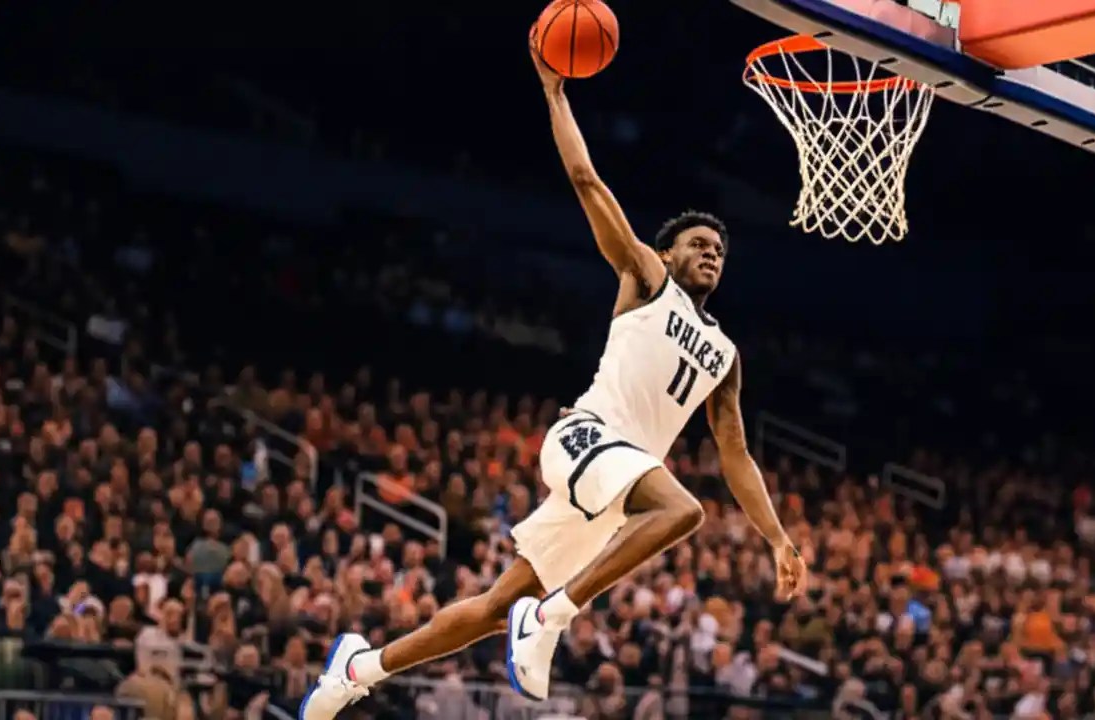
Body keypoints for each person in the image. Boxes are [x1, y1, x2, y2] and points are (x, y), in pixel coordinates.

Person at [298, 35, 808, 720]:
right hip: (586, 440)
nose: (712, 253)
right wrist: (555, 93)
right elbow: (587, 181)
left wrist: (776, 536)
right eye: (698, 244)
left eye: (719, 249)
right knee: (684, 511)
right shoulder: (646, 279)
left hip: (615, 486)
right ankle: (553, 617)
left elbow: (736, 454)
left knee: (491, 610)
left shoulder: (726, 354)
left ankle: (359, 669)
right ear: (666, 253)